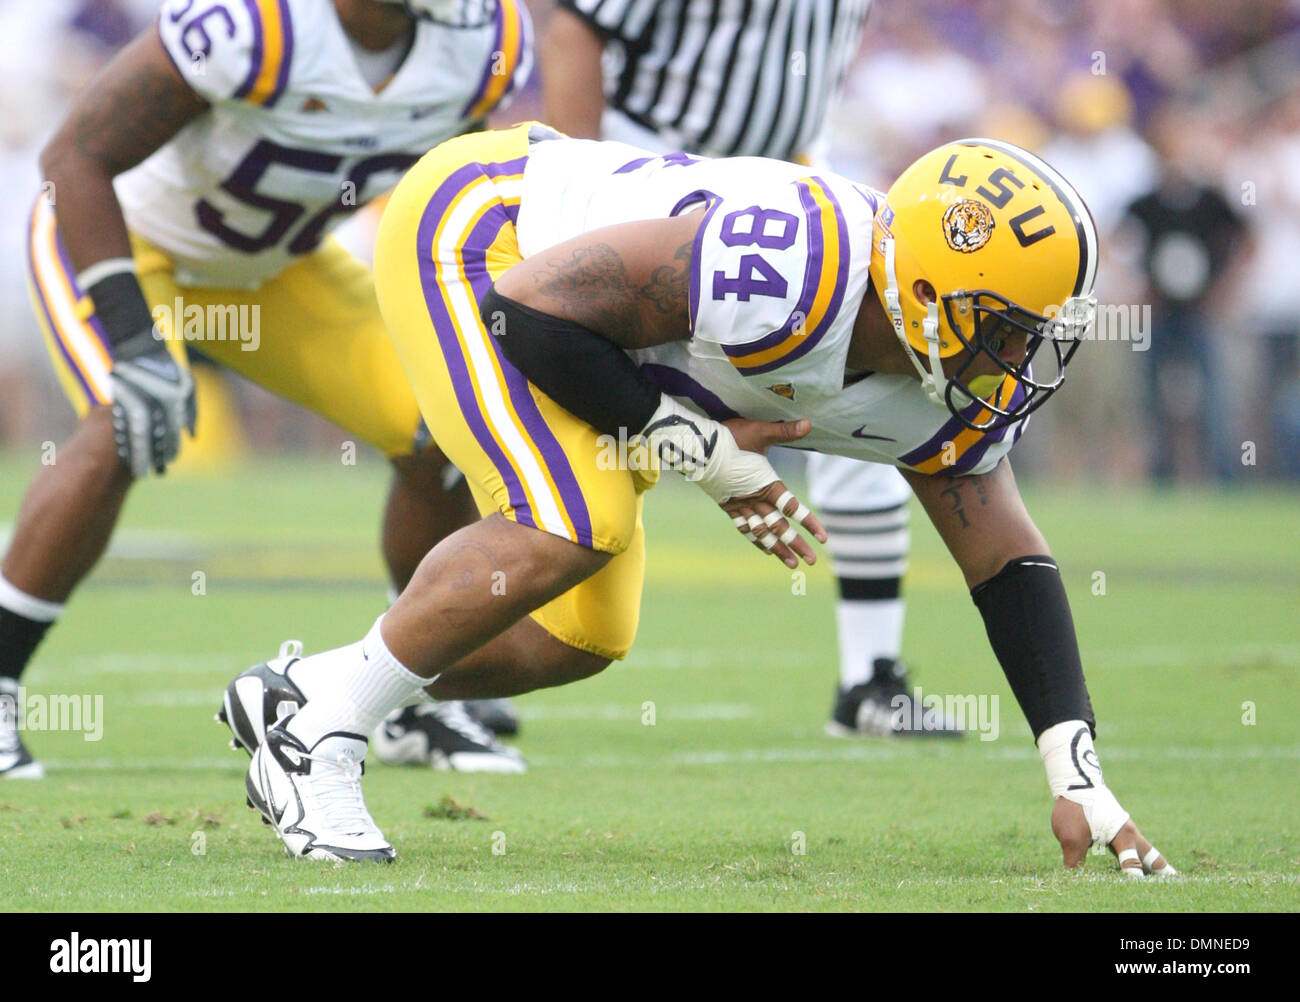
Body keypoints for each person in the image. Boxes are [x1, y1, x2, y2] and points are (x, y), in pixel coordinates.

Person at [231, 122, 1176, 879]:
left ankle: (308, 689)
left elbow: (1007, 566)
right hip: (483, 232)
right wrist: (708, 455)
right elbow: (528, 311)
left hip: (596, 338)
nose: (1018, 360)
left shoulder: (943, 395)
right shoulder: (799, 271)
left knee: (580, 636)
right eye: (1004, 330)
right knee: (574, 524)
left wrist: (1078, 774)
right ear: (925, 293)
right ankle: (318, 735)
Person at [0, 0, 532, 779]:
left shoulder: (488, 39)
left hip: (276, 271)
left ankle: (407, 698)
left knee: (441, 426)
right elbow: (74, 157)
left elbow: (457, 190)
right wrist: (133, 332)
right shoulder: (255, 25)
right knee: (125, 423)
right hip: (129, 245)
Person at [540, 0, 955, 737]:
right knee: (542, 391)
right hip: (658, 174)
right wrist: (575, 185)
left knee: (872, 398)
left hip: (786, 182)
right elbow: (577, 26)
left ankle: (870, 677)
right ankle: (451, 652)